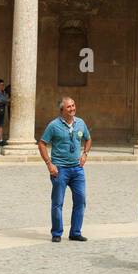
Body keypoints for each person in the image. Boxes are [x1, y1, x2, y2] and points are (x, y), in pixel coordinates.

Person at [39, 96, 90, 243]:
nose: (72, 108)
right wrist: (49, 163)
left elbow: (88, 138)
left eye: (73, 105)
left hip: (77, 169)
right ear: (62, 110)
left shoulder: (80, 123)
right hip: (59, 169)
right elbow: (42, 144)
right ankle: (56, 233)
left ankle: (75, 232)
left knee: (81, 201)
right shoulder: (53, 125)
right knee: (58, 203)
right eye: (69, 107)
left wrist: (85, 154)